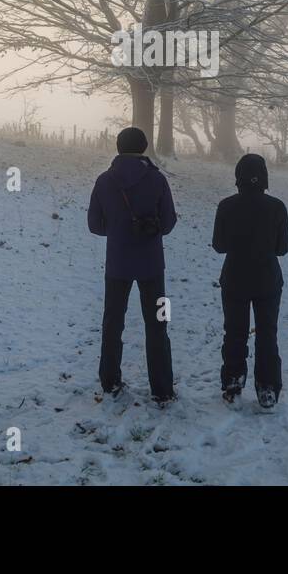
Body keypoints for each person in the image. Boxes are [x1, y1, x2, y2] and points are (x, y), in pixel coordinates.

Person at [87, 126, 178, 405]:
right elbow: (169, 222)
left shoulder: (104, 181)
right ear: (144, 147)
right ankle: (162, 388)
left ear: (117, 147)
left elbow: (94, 225)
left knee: (112, 321)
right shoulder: (157, 180)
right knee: (158, 324)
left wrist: (116, 231)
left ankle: (110, 381)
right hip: (152, 265)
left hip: (117, 264)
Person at [211, 153, 288, 409]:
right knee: (267, 333)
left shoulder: (226, 206)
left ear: (238, 177)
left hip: (234, 277)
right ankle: (267, 388)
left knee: (234, 331)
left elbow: (219, 246)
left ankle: (233, 382)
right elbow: (282, 249)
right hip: (267, 279)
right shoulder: (277, 207)